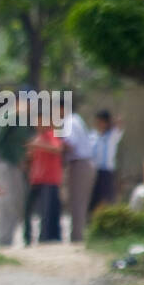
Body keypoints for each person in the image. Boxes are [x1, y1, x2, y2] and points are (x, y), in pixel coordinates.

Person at [0, 89, 35, 247]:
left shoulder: (20, 118)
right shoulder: (12, 116)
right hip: (5, 165)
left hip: (13, 166)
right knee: (6, 203)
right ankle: (4, 242)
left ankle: (8, 241)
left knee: (15, 203)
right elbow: (0, 140)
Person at [56, 95, 96, 242]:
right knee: (79, 202)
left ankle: (77, 238)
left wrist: (52, 146)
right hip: (83, 164)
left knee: (77, 203)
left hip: (79, 165)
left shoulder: (69, 121)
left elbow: (69, 144)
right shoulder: (75, 119)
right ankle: (77, 237)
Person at [26, 112, 64, 243]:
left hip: (49, 180)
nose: (39, 125)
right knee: (32, 210)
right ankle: (29, 238)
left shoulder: (51, 135)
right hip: (36, 179)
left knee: (47, 212)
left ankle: (47, 238)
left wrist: (38, 146)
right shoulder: (37, 137)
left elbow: (57, 149)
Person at [89, 110, 124, 213]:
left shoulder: (112, 135)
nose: (99, 124)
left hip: (106, 171)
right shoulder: (92, 136)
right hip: (94, 171)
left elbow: (119, 126)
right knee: (93, 199)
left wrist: (113, 123)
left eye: (102, 122)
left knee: (106, 200)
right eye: (98, 122)